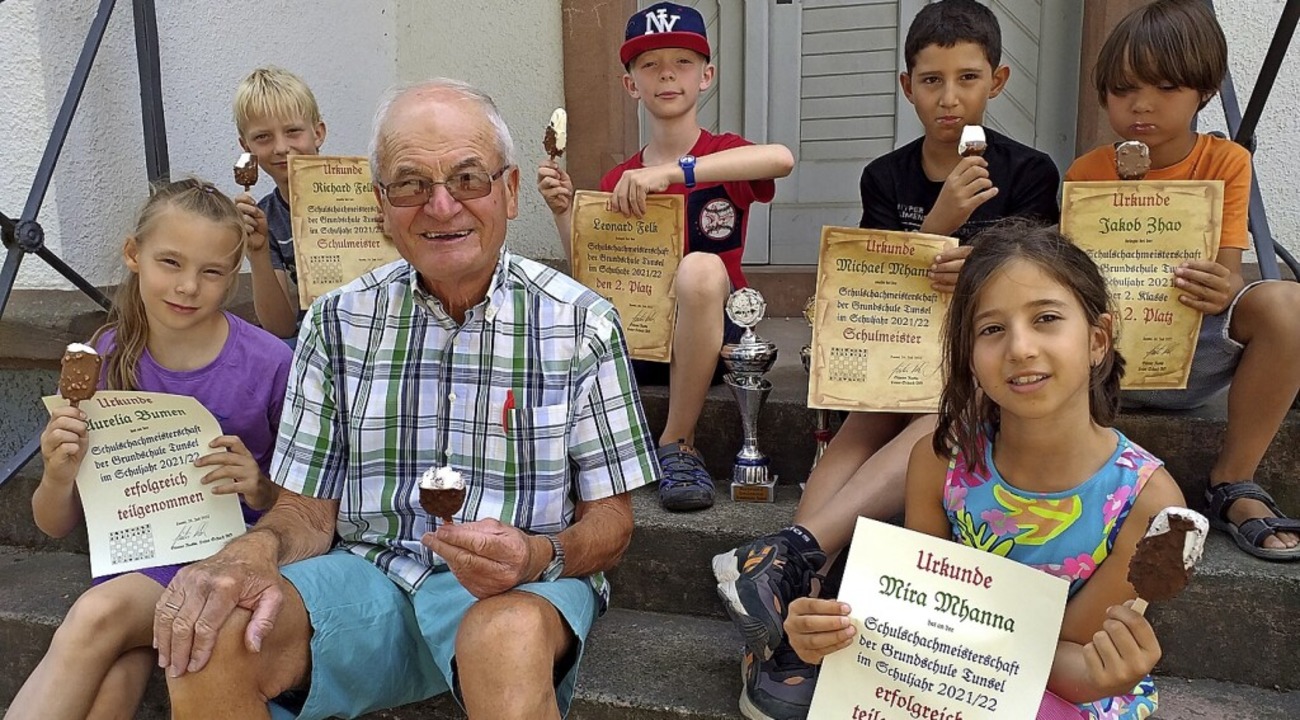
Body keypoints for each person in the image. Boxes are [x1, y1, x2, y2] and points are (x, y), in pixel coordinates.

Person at [153, 79, 660, 720]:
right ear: (380, 205)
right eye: (411, 184)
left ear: (508, 191)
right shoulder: (335, 321)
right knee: (216, 630)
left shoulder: (580, 321)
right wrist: (252, 550)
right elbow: (307, 516)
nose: (441, 206)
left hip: (518, 585)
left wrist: (539, 553)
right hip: (370, 576)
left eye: (469, 179)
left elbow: (611, 526)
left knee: (504, 636)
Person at [710, 2, 1059, 716]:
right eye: (931, 81)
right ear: (907, 87)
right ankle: (798, 599)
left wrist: (985, 261)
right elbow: (877, 274)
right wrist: (938, 225)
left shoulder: (1029, 172)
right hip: (901, 350)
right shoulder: (886, 176)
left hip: (983, 362)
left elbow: (1045, 281)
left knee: (942, 408)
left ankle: (787, 555)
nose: (949, 97)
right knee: (864, 417)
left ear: (998, 79)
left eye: (967, 78)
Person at [787, 221, 1184, 718]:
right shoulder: (940, 466)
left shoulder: (1149, 503)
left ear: (1098, 339)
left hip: (1065, 695)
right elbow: (921, 621)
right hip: (951, 683)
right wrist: (831, 633)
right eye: (991, 329)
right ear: (970, 358)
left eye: (1046, 318)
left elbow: (1068, 655)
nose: (1020, 348)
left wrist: (1105, 672)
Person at [5, 179, 291, 720]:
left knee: (95, 618)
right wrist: (59, 473)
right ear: (134, 256)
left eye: (211, 271)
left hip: (223, 558)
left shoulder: (270, 362)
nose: (187, 286)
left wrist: (259, 484)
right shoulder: (104, 359)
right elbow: (53, 524)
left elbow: (310, 502)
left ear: (233, 277)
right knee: (113, 683)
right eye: (170, 262)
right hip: (134, 555)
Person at [1066, 0, 1300, 561]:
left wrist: (1223, 287)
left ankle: (1232, 482)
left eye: (1166, 88)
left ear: (1206, 89)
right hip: (1103, 364)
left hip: (1195, 351)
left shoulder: (1226, 162)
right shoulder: (1085, 172)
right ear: (1103, 95)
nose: (1141, 106)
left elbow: (1226, 272)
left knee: (1286, 304)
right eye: (1123, 91)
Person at [537, 1, 793, 512]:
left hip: (708, 340)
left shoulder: (724, 152)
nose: (667, 74)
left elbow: (780, 158)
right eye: (650, 65)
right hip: (642, 339)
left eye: (682, 62)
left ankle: (678, 442)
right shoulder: (619, 180)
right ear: (631, 84)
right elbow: (596, 272)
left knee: (700, 267)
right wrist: (564, 212)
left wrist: (675, 173)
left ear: (707, 75)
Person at [232, 66, 328, 339]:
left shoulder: (367, 195)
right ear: (246, 147)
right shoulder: (265, 218)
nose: (281, 147)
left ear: (318, 133)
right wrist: (258, 253)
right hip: (311, 343)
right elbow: (280, 328)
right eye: (263, 137)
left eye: (293, 131)